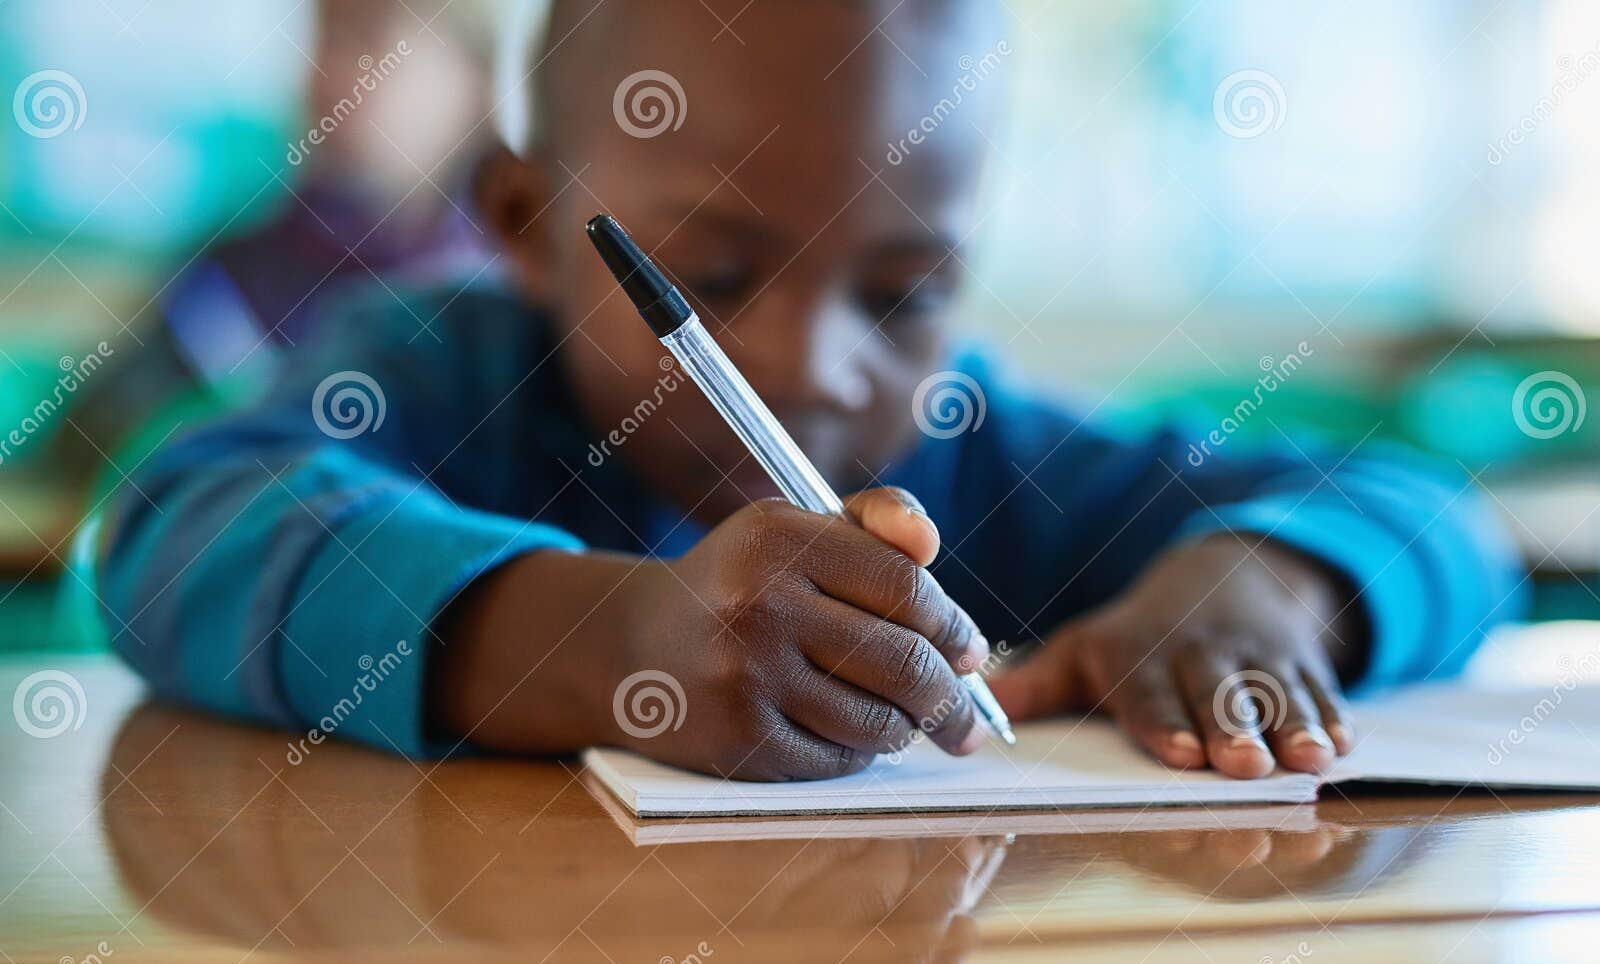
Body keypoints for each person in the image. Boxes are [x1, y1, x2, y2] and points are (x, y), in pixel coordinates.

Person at [97, 0, 1522, 783]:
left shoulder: (978, 447)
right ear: (527, 220)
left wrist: (1263, 587)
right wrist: (612, 642)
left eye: (903, 295)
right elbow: (174, 529)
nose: (811, 369)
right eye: (710, 279)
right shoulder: (432, 368)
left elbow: (1433, 518)